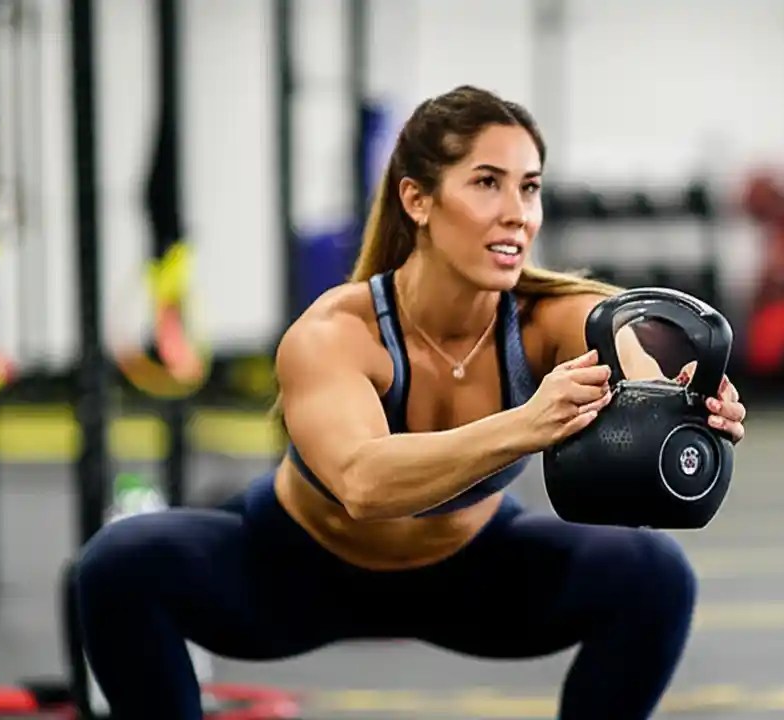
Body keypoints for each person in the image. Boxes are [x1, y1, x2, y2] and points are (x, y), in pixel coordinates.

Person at [72, 85, 748, 720]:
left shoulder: (552, 317)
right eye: (487, 183)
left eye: (531, 188)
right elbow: (363, 483)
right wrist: (524, 425)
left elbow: (629, 347)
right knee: (117, 565)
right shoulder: (337, 333)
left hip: (472, 574)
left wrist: (676, 408)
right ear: (417, 200)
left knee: (655, 578)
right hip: (297, 571)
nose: (518, 211)